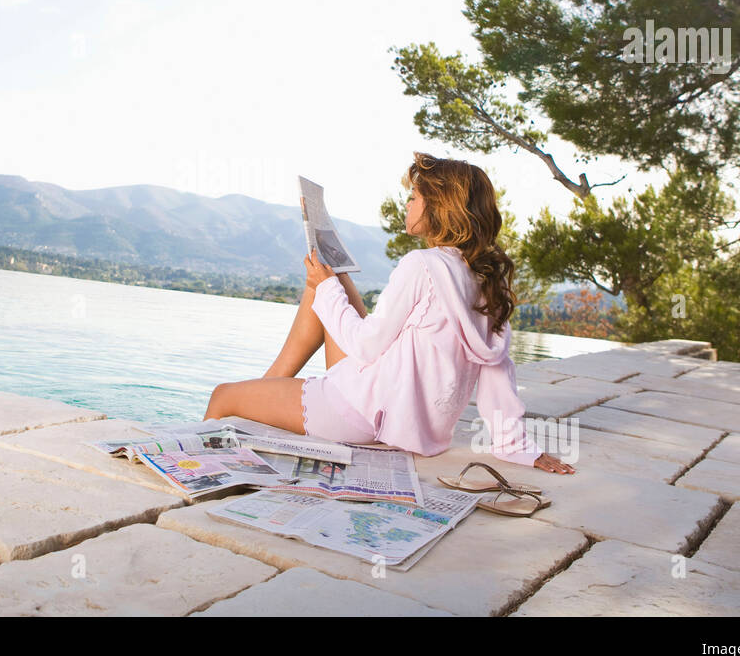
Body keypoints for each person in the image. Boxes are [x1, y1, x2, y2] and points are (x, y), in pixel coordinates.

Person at [203, 152, 574, 475]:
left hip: (359, 414)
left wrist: (329, 287)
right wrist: (516, 446)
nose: (408, 205)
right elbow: (496, 371)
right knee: (328, 280)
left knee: (222, 396)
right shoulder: (485, 278)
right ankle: (269, 389)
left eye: (414, 197)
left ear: (439, 206)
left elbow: (366, 347)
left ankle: (213, 455)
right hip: (411, 423)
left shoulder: (422, 265)